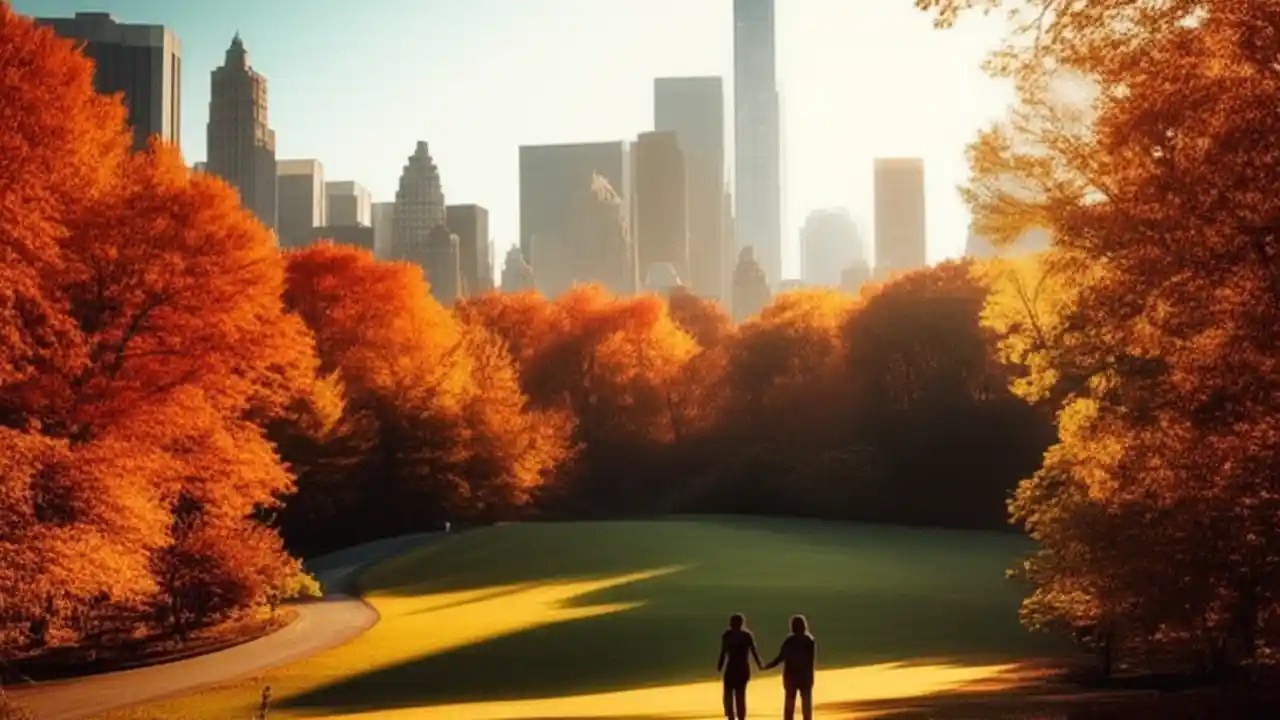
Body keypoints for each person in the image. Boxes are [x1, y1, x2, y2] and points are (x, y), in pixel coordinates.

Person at [764, 615, 817, 720]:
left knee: (789, 704)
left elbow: (781, 657)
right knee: (806, 705)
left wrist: (769, 666)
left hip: (791, 677)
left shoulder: (790, 641)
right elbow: (810, 661)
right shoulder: (809, 641)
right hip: (805, 677)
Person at [717, 613, 763, 720]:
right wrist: (759, 664)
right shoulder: (746, 635)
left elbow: (723, 652)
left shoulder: (729, 636)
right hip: (741, 669)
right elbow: (754, 652)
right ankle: (737, 716)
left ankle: (732, 716)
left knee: (732, 694)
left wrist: (720, 664)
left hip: (735, 668)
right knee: (739, 694)